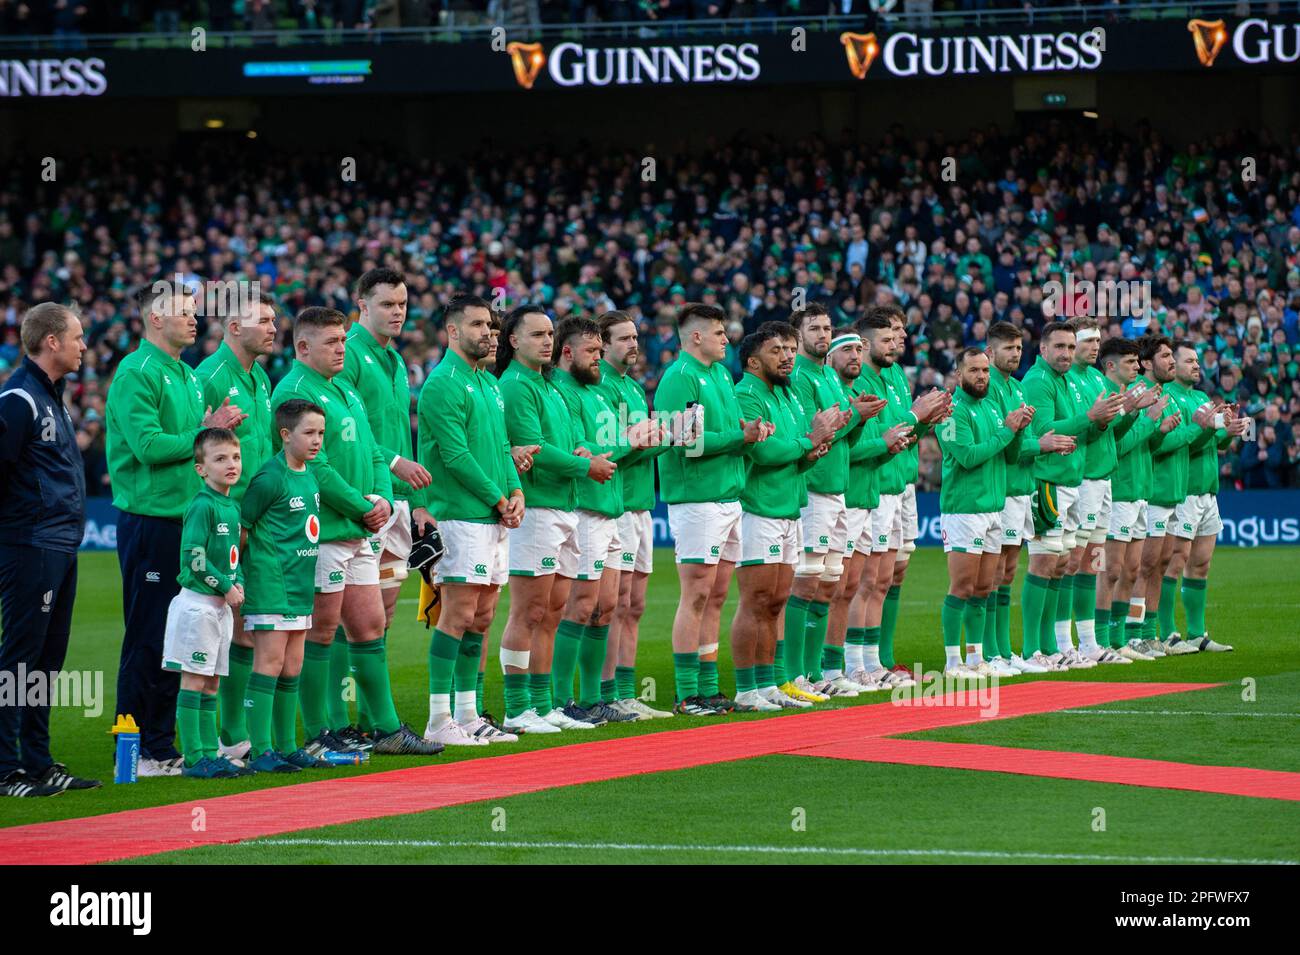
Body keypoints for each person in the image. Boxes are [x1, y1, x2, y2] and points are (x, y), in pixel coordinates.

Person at [270, 306, 439, 756]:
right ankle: (321, 730)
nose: (342, 348)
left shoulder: (345, 388)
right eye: (331, 342)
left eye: (343, 340)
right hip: (321, 531)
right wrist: (363, 506)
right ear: (303, 347)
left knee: (369, 625)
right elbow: (313, 467)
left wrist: (382, 497)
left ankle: (384, 728)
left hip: (359, 528)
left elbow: (376, 453)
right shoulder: (293, 392)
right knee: (320, 631)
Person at [106, 280, 245, 777]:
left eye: (194, 311)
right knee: (147, 635)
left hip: (185, 523)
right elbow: (147, 446)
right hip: (150, 522)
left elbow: (187, 446)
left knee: (177, 637)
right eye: (183, 312)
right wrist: (206, 433)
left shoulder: (186, 374)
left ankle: (161, 745)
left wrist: (203, 432)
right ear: (155, 319)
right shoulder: (135, 372)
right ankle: (137, 748)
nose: (194, 319)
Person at [497, 304, 616, 732]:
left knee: (552, 611)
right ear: (513, 340)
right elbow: (535, 448)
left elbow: (566, 436)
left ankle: (543, 704)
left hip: (562, 508)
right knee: (528, 611)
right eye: (538, 335)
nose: (548, 341)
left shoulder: (546, 384)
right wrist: (587, 467)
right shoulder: (515, 386)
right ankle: (516, 708)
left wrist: (584, 448)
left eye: (550, 334)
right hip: (538, 508)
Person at [416, 295, 526, 743]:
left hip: (492, 515)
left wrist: (516, 490)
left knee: (482, 617)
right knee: (457, 615)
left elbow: (501, 448)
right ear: (453, 331)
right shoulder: (442, 383)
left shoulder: (489, 384)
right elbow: (456, 456)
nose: (488, 332)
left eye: (491, 324)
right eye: (478, 324)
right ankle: (439, 720)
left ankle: (467, 714)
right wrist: (500, 498)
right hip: (460, 515)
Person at [0, 303, 99, 797]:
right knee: (19, 660)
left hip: (60, 543)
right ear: (52, 341)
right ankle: (5, 768)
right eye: (78, 337)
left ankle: (38, 762)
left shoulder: (50, 397)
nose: (85, 345)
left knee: (47, 660)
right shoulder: (18, 398)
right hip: (30, 543)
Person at [655, 303, 768, 716]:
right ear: (696, 336)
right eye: (719, 333)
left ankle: (707, 686)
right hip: (697, 499)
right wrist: (741, 439)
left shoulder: (720, 374)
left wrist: (751, 433)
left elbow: (731, 431)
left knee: (717, 595)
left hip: (727, 496)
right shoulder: (678, 378)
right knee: (697, 593)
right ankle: (687, 694)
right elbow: (687, 442)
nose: (727, 339)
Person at [338, 268, 435, 744]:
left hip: (396, 503)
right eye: (387, 304)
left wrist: (415, 503)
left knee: (383, 613)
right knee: (350, 614)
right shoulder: (349, 354)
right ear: (362, 304)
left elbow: (400, 430)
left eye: (402, 304)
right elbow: (344, 428)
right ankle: (343, 721)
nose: (398, 312)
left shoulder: (394, 359)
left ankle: (366, 720)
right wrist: (395, 463)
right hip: (366, 498)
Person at [552, 316, 659, 724]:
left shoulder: (594, 391)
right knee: (578, 607)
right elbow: (584, 450)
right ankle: (562, 699)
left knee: (606, 607)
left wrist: (649, 442)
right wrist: (630, 440)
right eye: (594, 351)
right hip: (585, 509)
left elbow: (611, 450)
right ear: (570, 352)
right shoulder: (564, 392)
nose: (598, 358)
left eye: (600, 350)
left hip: (611, 508)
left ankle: (596, 698)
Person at [732, 325, 838, 711]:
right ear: (753, 361)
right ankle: (746, 689)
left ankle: (770, 681)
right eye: (777, 350)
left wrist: (808, 452)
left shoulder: (788, 394)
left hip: (788, 508)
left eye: (791, 349)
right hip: (757, 509)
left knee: (776, 600)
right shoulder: (745, 395)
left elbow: (789, 449)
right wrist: (808, 442)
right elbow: (763, 452)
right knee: (755, 599)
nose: (788, 356)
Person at [194, 294, 278, 764]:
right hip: (226, 524)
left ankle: (234, 732)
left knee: (245, 626)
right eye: (262, 320)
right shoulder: (209, 378)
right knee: (216, 628)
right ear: (231, 326)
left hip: (256, 522)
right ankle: (217, 737)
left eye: (274, 319)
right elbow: (196, 453)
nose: (272, 327)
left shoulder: (261, 378)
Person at [1021, 321, 1125, 670]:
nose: (1066, 353)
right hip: (1049, 482)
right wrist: (1089, 418)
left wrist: (1100, 418)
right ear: (1043, 349)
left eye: (1070, 347)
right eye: (1062, 347)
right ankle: (1032, 648)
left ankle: (1052, 647)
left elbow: (1083, 427)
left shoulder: (1065, 379)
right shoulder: (1037, 381)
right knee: (1044, 563)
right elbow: (1042, 430)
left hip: (1071, 480)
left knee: (1061, 564)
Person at [787, 305, 877, 700]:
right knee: (805, 585)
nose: (823, 334)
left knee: (828, 586)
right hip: (813, 491)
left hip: (837, 490)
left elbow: (843, 436)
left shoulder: (828, 375)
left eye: (826, 327)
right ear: (798, 334)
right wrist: (853, 417)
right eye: (815, 328)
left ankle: (820, 670)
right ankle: (794, 674)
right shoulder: (800, 377)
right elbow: (816, 433)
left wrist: (857, 419)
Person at [853, 309, 946, 685]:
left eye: (901, 333)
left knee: (893, 574)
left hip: (901, 484)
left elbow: (901, 432)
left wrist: (926, 418)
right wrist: (915, 414)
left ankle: (879, 658)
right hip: (878, 485)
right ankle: (856, 661)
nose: (900, 339)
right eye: (892, 333)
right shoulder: (861, 375)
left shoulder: (893, 374)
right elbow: (882, 435)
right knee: (865, 579)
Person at [240, 399, 333, 773]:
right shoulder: (269, 477)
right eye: (308, 433)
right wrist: (246, 574)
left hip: (299, 585)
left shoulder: (308, 473)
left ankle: (286, 745)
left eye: (321, 434)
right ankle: (261, 749)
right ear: (285, 435)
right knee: (270, 662)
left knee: (292, 666)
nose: (316, 441)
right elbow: (243, 528)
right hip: (271, 583)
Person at [935, 348, 1033, 678]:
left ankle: (975, 659)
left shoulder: (991, 406)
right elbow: (967, 456)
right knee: (961, 587)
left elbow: (1009, 457)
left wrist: (1018, 431)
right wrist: (1007, 430)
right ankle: (952, 662)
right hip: (964, 510)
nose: (982, 376)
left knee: (984, 588)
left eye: (986, 371)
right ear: (958, 374)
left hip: (993, 508)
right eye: (975, 370)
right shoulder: (950, 412)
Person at [594, 311, 673, 720]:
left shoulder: (633, 387)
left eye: (635, 337)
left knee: (635, 604)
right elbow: (607, 450)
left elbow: (639, 448)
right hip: (618, 506)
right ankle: (607, 693)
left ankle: (625, 692)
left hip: (641, 506)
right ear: (602, 345)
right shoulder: (599, 387)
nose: (634, 344)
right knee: (615, 602)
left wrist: (666, 438)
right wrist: (639, 440)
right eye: (623, 338)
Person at [985, 320, 1074, 673]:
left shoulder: (1017, 388)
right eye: (1008, 348)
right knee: (993, 574)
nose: (1014, 354)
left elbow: (1021, 442)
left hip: (1021, 489)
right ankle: (993, 652)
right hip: (1002, 490)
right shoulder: (989, 389)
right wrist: (1042, 444)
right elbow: (1001, 446)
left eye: (1017, 348)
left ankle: (1006, 652)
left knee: (1007, 570)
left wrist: (1034, 442)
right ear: (991, 352)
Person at [163, 428, 249, 779]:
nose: (230, 464)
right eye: (219, 458)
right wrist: (227, 585)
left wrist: (238, 580)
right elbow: (193, 558)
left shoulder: (230, 504)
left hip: (218, 608)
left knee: (211, 683)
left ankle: (208, 752)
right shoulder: (201, 505)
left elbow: (232, 556)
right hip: (198, 606)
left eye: (235, 457)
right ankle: (195, 757)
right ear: (201, 469)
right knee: (194, 681)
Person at [1158, 340, 1246, 653]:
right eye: (1189, 361)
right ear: (1174, 366)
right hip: (1184, 492)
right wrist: (1210, 429)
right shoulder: (1168, 398)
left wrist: (1228, 431)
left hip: (1209, 492)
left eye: (1197, 361)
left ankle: (1197, 633)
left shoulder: (1202, 398)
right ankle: (1167, 632)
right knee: (1173, 561)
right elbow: (1187, 443)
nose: (1196, 366)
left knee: (1201, 564)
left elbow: (1214, 444)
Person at [1097, 335, 1171, 662]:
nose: (1138, 368)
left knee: (1132, 569)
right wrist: (1149, 422)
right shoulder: (1110, 398)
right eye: (1131, 363)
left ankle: (1121, 638)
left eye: (1138, 362)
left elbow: (1144, 446)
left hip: (1140, 492)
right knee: (1111, 570)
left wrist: (1159, 428)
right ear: (1112, 365)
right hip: (1120, 492)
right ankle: (1102, 640)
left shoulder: (1131, 396)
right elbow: (1118, 447)